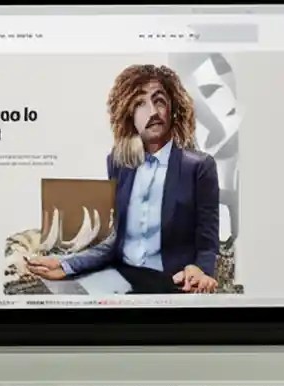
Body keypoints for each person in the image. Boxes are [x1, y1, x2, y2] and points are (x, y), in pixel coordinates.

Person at [28, 64, 220, 293]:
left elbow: (208, 243)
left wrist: (200, 270)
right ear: (129, 114)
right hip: (120, 275)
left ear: (172, 107)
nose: (153, 112)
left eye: (159, 100)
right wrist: (66, 264)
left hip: (170, 281)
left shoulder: (199, 167)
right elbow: (116, 240)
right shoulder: (118, 163)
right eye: (139, 104)